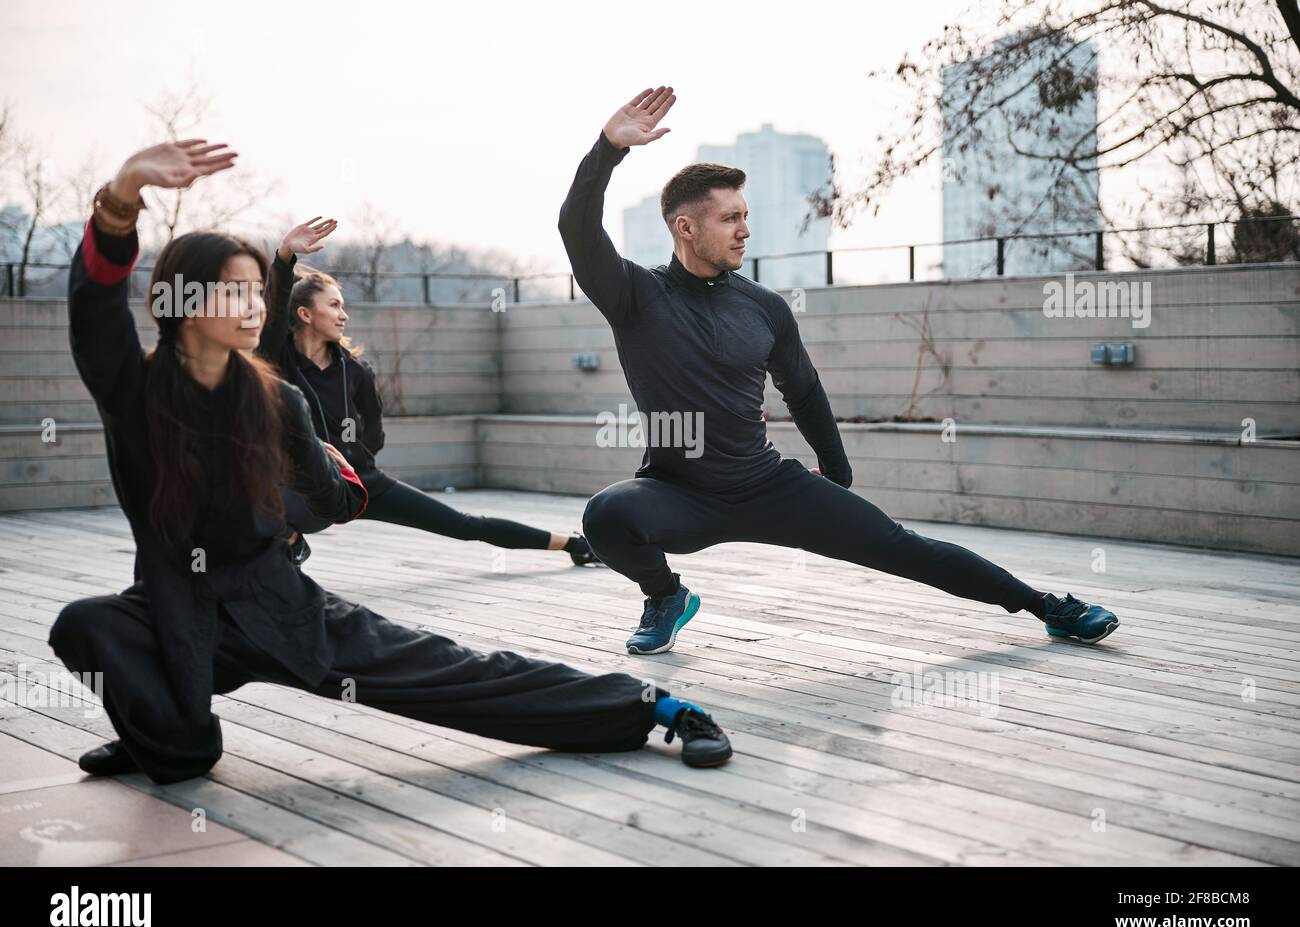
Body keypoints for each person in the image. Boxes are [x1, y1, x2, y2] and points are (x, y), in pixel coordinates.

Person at [48, 138, 731, 782]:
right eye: (234, 291)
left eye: (257, 290)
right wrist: (123, 194)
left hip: (277, 609)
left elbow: (335, 501)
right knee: (87, 625)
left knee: (455, 672)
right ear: (181, 300)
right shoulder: (134, 389)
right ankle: (171, 738)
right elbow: (94, 305)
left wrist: (316, 485)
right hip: (173, 612)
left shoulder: (278, 400)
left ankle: (659, 707)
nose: (254, 307)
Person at [559, 87, 1120, 655]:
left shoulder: (764, 307)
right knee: (607, 515)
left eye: (746, 216)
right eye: (730, 219)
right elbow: (577, 230)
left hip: (768, 485)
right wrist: (608, 149)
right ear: (686, 227)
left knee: (901, 545)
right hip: (679, 495)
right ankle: (665, 597)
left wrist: (835, 469)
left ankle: (1048, 607)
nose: (744, 230)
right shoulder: (635, 296)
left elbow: (802, 389)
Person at [257, 219, 598, 567]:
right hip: (306, 487)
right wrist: (284, 257)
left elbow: (373, 432)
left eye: (343, 306)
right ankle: (290, 545)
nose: (343, 315)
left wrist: (354, 458)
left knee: (465, 525)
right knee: (250, 505)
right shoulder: (278, 361)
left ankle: (575, 545)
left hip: (360, 481)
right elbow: (273, 316)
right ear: (305, 314)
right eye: (334, 305)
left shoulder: (356, 371)